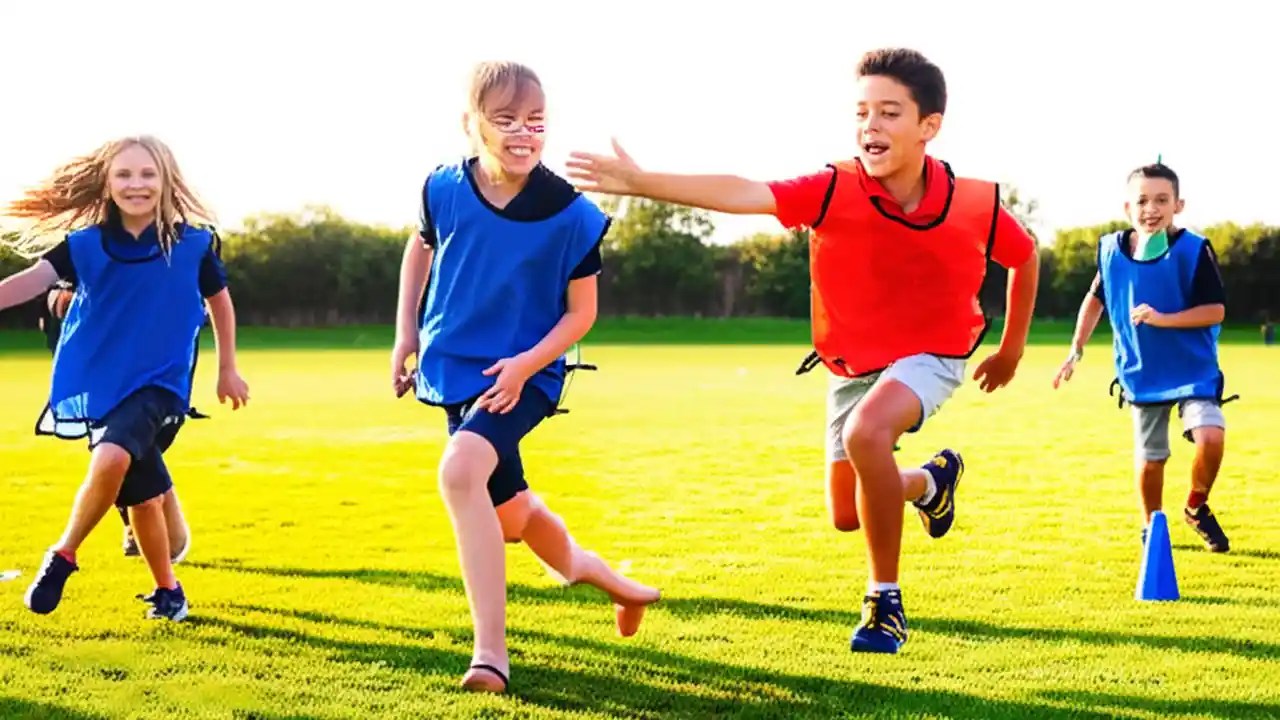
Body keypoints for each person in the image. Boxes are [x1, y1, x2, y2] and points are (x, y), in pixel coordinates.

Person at [567, 47, 1039, 654]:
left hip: (933, 354)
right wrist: (642, 183)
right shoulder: (832, 188)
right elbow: (746, 191)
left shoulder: (972, 202)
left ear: (929, 126)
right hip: (853, 364)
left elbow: (1024, 257)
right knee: (848, 511)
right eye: (863, 111)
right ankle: (929, 482)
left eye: (890, 112)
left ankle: (885, 602)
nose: (871, 125)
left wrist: (1011, 350)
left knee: (866, 435)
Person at [391, 61, 661, 693]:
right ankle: (619, 588)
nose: (523, 134)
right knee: (511, 514)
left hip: (527, 375)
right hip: (458, 369)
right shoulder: (442, 188)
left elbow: (582, 313)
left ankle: (490, 655)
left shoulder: (571, 214)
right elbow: (419, 247)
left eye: (535, 122)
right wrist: (406, 334)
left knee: (460, 471)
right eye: (506, 120)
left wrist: (524, 366)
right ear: (471, 123)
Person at [0, 135, 250, 621]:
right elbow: (34, 280)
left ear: (166, 181)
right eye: (125, 174)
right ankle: (168, 590)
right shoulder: (84, 245)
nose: (137, 184)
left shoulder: (194, 244)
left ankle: (64, 553)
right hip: (104, 384)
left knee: (113, 456)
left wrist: (228, 369)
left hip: (160, 384)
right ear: (107, 184)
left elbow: (220, 301)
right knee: (142, 493)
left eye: (148, 174)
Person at [1054, 163, 1231, 553]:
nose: (1151, 208)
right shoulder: (1111, 251)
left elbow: (1215, 311)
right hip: (1143, 373)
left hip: (1193, 370)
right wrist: (1076, 348)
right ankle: (1152, 528)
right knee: (1152, 460)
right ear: (1127, 208)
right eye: (1142, 200)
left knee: (1211, 438)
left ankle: (1196, 506)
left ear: (1178, 205)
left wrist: (1162, 319)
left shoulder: (1194, 249)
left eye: (1161, 200)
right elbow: (1096, 299)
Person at [37, 280, 197, 562]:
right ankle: (158, 562)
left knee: (127, 452)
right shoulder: (81, 258)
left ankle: (160, 566)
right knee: (122, 454)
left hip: (151, 378)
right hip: (102, 381)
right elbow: (54, 304)